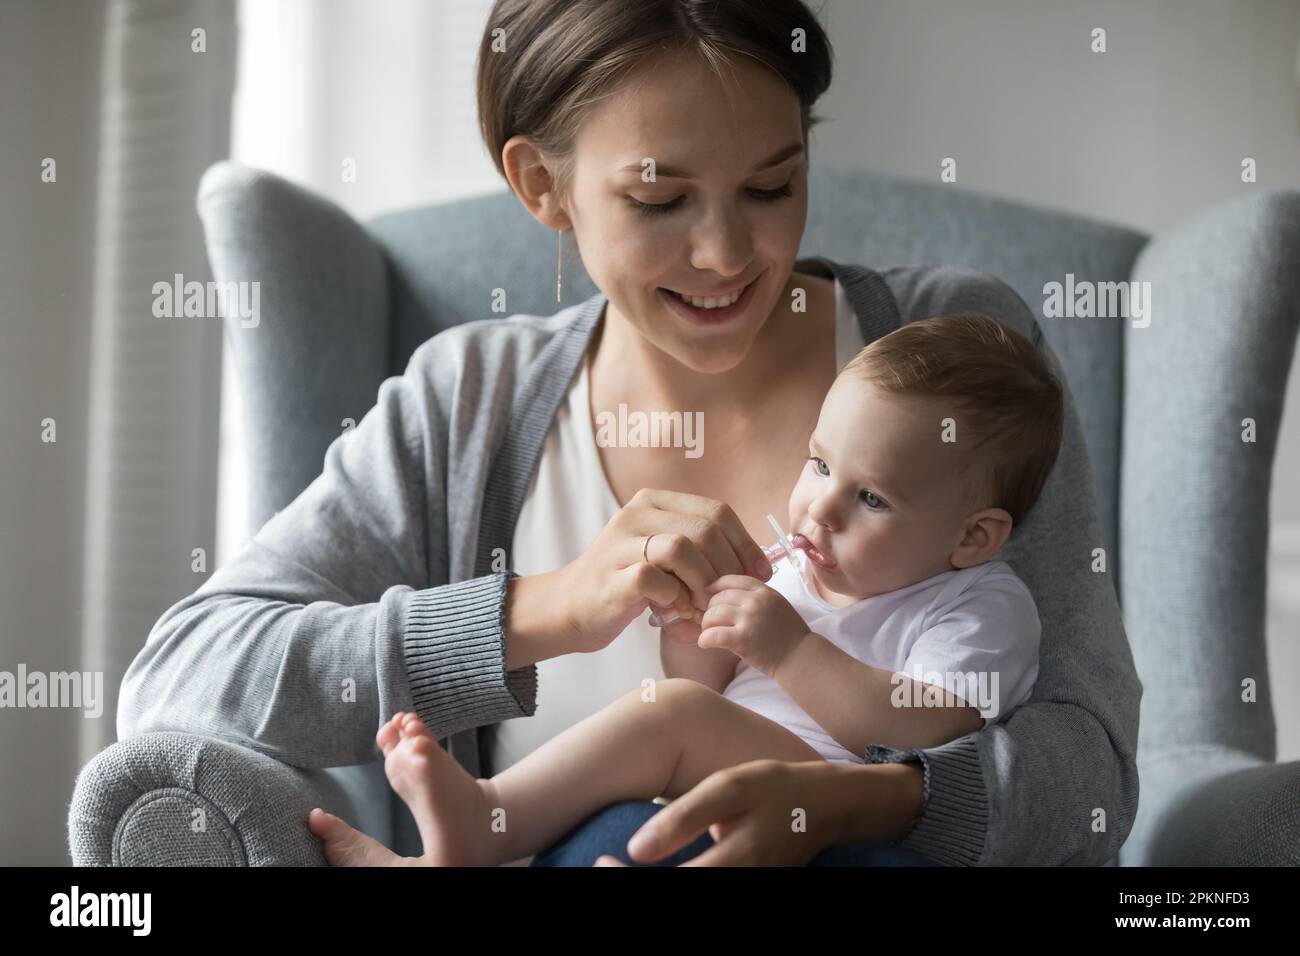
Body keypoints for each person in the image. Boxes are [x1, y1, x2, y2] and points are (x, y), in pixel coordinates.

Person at [119, 0, 1141, 867]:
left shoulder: (954, 360)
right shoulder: (470, 399)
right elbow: (181, 676)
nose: (729, 252)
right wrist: (542, 608)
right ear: (541, 185)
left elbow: (1089, 771)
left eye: (771, 185)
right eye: (660, 197)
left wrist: (877, 801)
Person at [312, 313, 1059, 868]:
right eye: (821, 465)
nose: (820, 508)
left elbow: (927, 730)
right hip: (726, 794)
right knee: (672, 703)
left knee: (670, 717)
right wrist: (691, 631)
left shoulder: (981, 604)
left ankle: (488, 816)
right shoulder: (802, 570)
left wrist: (789, 650)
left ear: (973, 537)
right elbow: (709, 683)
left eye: (873, 500)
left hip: (840, 815)